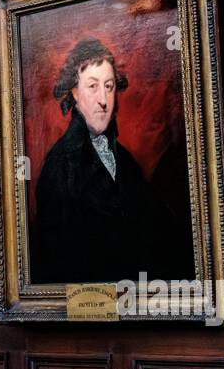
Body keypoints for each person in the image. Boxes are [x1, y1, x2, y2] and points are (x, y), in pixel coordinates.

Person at [30, 38, 192, 284]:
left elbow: (157, 233)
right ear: (74, 93)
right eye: (93, 87)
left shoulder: (125, 160)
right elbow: (57, 262)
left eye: (109, 86)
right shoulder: (60, 166)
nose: (104, 100)